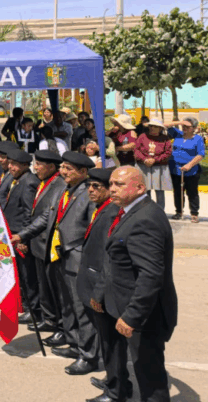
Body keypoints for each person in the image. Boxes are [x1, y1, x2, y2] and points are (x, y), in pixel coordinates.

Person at [20, 151, 99, 375]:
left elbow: (93, 229)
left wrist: (81, 254)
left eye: (69, 169)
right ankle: (74, 344)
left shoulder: (88, 193)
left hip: (75, 258)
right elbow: (47, 217)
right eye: (62, 167)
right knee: (66, 305)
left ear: (83, 172)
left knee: (81, 310)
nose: (63, 172)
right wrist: (22, 235)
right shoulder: (64, 190)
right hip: (57, 255)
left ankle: (89, 356)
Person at [104, 167, 178, 402]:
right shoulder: (131, 211)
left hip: (146, 316)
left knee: (151, 379)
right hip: (133, 308)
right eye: (111, 183)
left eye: (119, 184)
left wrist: (133, 316)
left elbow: (151, 274)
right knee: (146, 372)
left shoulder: (146, 219)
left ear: (139, 188)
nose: (112, 188)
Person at [76, 167, 132, 402]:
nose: (90, 189)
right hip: (95, 286)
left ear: (109, 189)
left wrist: (98, 295)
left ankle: (117, 391)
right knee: (107, 342)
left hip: (104, 291)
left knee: (113, 344)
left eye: (96, 186)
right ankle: (114, 380)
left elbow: (107, 260)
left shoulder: (111, 213)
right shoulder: (102, 209)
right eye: (89, 185)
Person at [11, 150, 65, 337]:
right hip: (37, 241)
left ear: (51, 167)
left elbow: (46, 215)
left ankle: (57, 323)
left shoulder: (59, 185)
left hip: (47, 243)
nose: (35, 168)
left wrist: (23, 236)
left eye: (39, 165)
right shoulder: (45, 182)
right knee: (42, 284)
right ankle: (48, 318)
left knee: (51, 287)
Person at [2, 149, 41, 324]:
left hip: (21, 236)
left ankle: (33, 309)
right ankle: (25, 303)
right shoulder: (16, 179)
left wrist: (23, 238)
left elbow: (28, 213)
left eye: (14, 164)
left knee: (28, 275)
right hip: (13, 234)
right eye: (9, 163)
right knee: (20, 273)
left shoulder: (29, 182)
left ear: (25, 165)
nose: (10, 167)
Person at [165, 117, 205, 223]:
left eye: (188, 126)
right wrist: (179, 122)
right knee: (178, 192)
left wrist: (190, 165)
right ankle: (179, 211)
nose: (185, 128)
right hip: (175, 169)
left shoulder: (197, 139)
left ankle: (194, 213)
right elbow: (165, 125)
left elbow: (201, 154)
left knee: (192, 192)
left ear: (194, 128)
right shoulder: (177, 134)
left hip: (191, 170)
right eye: (184, 126)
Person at [134, 118, 172, 210]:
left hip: (159, 167)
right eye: (151, 126)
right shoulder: (142, 136)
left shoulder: (165, 138)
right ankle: (146, 210)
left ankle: (160, 211)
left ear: (160, 128)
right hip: (143, 166)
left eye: (155, 126)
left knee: (159, 191)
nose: (152, 128)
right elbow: (136, 150)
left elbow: (168, 152)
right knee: (145, 190)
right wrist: (144, 159)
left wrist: (155, 160)